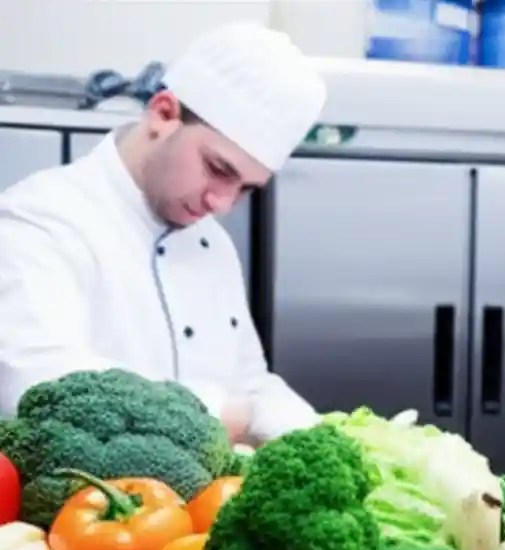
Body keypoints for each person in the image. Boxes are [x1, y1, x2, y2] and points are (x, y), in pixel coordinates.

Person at [0, 22, 327, 446]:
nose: (223, 203)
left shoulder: (214, 246)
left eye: (246, 188)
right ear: (163, 114)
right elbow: (38, 383)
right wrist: (228, 414)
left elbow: (249, 384)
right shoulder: (41, 219)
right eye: (218, 169)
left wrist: (321, 435)